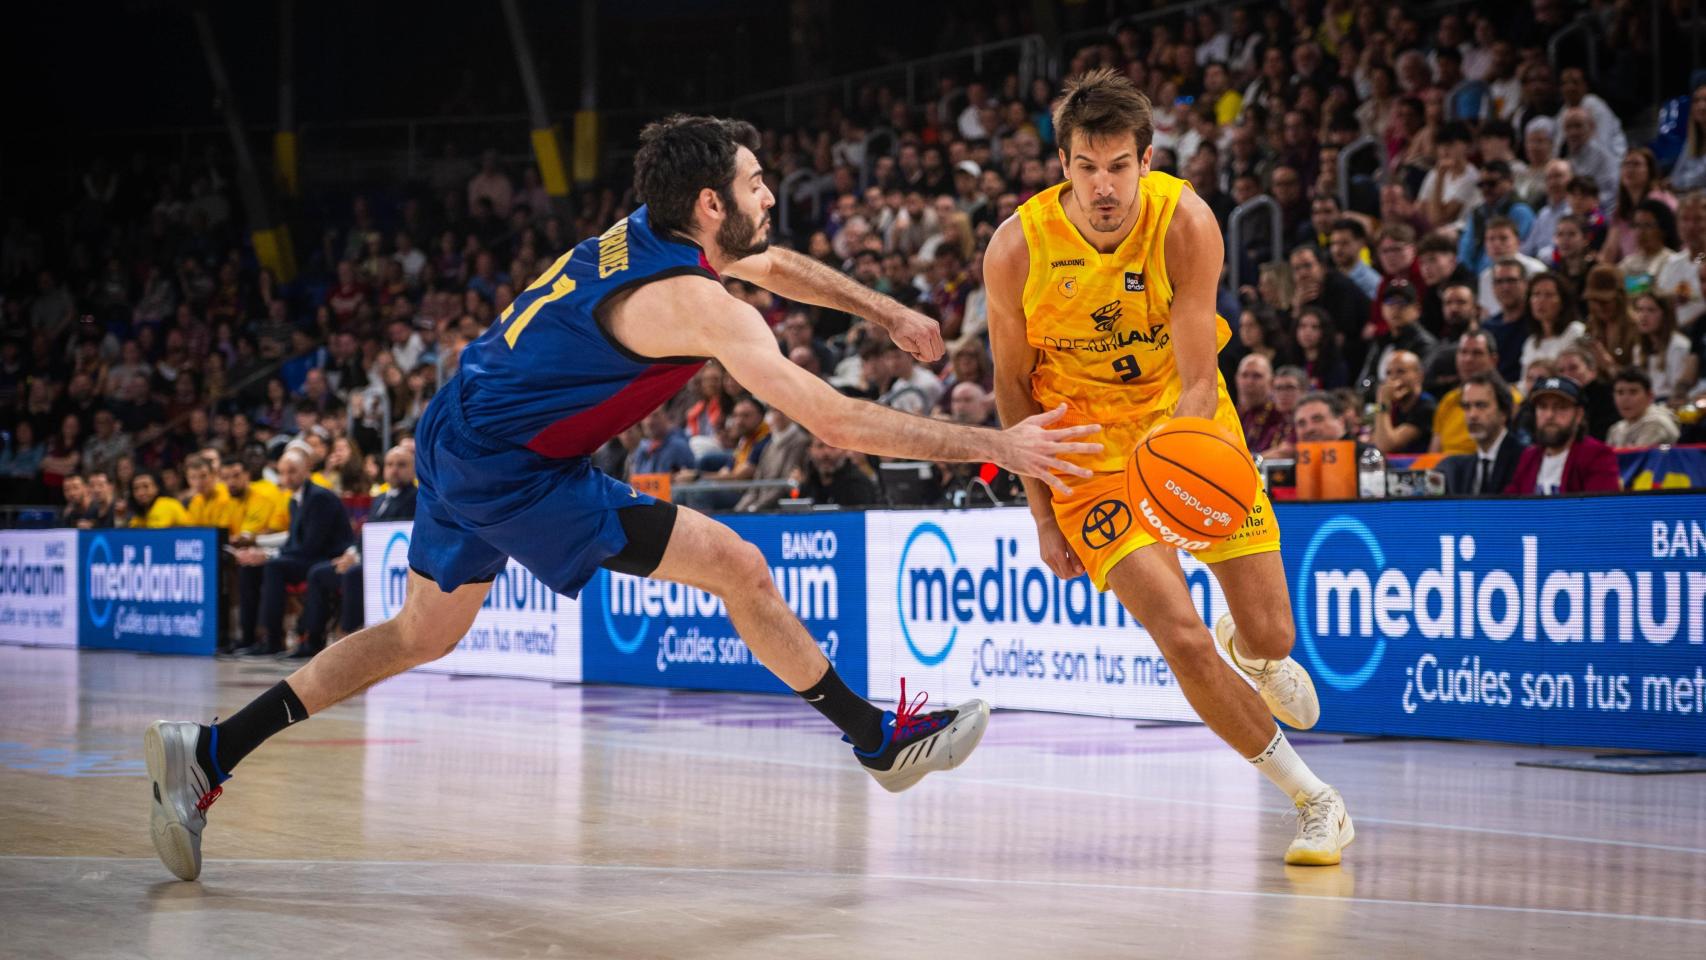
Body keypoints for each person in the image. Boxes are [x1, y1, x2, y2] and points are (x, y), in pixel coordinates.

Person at [147, 114, 1098, 882]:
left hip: (458, 422)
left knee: (418, 635)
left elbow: (770, 264)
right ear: (711, 203)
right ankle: (876, 741)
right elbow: (835, 421)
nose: (771, 194)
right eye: (757, 183)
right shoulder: (695, 305)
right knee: (740, 567)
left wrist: (883, 310)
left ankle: (209, 752)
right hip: (511, 467)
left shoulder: (650, 231)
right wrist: (1000, 445)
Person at [984, 69, 1350, 866]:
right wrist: (1042, 516)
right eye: (1087, 167)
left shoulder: (1185, 222)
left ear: (1146, 161)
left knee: (1273, 631)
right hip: (1084, 455)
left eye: (1119, 166)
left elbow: (1196, 378)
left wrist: (1173, 467)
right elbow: (1012, 387)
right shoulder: (1016, 248)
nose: (1103, 186)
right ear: (1063, 164)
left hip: (1184, 429)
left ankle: (1251, 649)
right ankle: (1314, 800)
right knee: (1179, 635)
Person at [230, 446, 355, 659]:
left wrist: (269, 556)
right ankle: (249, 638)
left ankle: (273, 641)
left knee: (274, 567)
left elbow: (311, 546)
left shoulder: (319, 498)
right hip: (306, 557)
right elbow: (293, 543)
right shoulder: (294, 500)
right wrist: (262, 553)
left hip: (327, 558)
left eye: (292, 471)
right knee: (250, 566)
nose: (286, 477)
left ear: (306, 470)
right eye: (282, 472)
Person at [296, 446, 419, 661]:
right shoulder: (379, 498)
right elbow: (366, 534)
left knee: (353, 574)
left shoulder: (417, 498)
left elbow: (400, 538)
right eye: (390, 465)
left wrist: (359, 559)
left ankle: (347, 639)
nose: (394, 470)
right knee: (319, 573)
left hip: (391, 566)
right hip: (364, 559)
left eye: (401, 465)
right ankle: (312, 640)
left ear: (414, 469)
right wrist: (351, 553)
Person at [1504, 376, 1621, 495]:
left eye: (1561, 407)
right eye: (1543, 407)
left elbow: (1600, 505)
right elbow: (1511, 502)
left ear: (1579, 415)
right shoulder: (1529, 457)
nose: (1549, 415)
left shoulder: (1597, 456)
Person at [1431, 330, 1523, 455]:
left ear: (1493, 360)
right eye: (1463, 352)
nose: (1468, 359)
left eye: (1477, 353)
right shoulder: (1448, 400)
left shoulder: (1512, 398)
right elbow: (1433, 455)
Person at [1371, 350, 1435, 455]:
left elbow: (1385, 446)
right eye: (1388, 373)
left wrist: (1382, 402)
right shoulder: (1395, 407)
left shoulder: (1427, 407)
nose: (1393, 378)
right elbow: (1375, 440)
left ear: (1419, 376)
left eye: (1400, 372)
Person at [1607, 367, 1681, 447]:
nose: (1625, 399)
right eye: (1620, 392)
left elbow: (1636, 454)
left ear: (1650, 396)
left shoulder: (1656, 423)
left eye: (1633, 392)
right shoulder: (1616, 429)